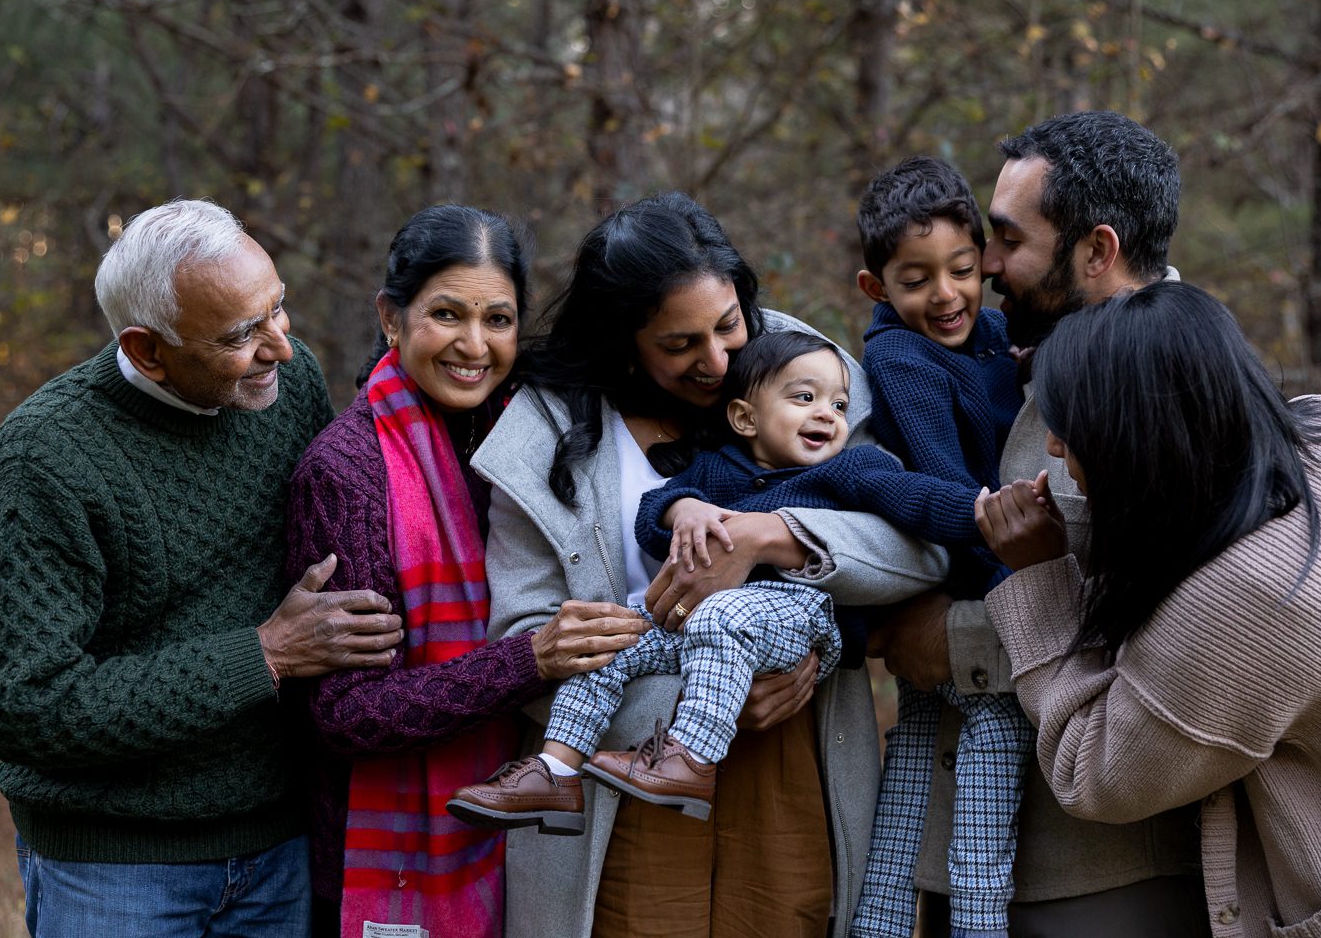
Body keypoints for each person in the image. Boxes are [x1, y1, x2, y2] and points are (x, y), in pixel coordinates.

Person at [475, 192, 950, 937]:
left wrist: (773, 540)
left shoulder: (803, 372)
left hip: (789, 756)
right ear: (625, 341)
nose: (719, 361)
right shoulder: (546, 427)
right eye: (680, 345)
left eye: (728, 325)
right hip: (618, 772)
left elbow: (915, 544)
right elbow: (524, 631)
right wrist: (702, 695)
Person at [0, 198, 405, 938]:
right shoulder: (47, 456)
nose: (282, 349)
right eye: (241, 334)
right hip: (115, 867)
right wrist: (263, 654)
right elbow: (26, 706)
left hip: (282, 846)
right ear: (146, 351)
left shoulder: (288, 387)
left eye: (278, 309)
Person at [866, 111, 1210, 936]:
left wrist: (955, 641)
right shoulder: (1031, 347)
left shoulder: (1167, 378)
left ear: (1096, 251)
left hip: (1098, 864)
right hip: (976, 844)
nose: (983, 267)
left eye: (1006, 241)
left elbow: (1178, 612)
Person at [974, 280, 1321, 937]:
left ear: (1137, 438)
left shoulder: (1250, 597)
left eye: (1071, 426)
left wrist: (1043, 581)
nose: (1052, 447)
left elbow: (1096, 773)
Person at [283, 204, 648, 938]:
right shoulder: (347, 472)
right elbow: (348, 714)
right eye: (446, 314)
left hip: (519, 839)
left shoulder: (533, 432)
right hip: (380, 857)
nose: (474, 345)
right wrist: (532, 657)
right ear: (391, 317)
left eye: (498, 319)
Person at [449, 330, 982, 829]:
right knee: (613, 645)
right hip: (703, 625)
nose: (827, 414)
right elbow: (652, 512)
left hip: (801, 613)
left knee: (724, 612)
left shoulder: (849, 470)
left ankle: (691, 759)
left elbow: (918, 500)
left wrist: (983, 511)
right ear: (746, 418)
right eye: (804, 398)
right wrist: (683, 510)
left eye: (839, 405)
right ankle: (556, 772)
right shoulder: (712, 470)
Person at [849, 157, 1028, 938]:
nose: (946, 294)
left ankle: (885, 921)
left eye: (962, 270)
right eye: (916, 279)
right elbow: (946, 486)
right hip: (961, 568)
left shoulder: (991, 333)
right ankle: (974, 923)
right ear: (876, 287)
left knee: (918, 751)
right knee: (992, 728)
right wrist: (1023, 590)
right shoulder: (900, 358)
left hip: (978, 580)